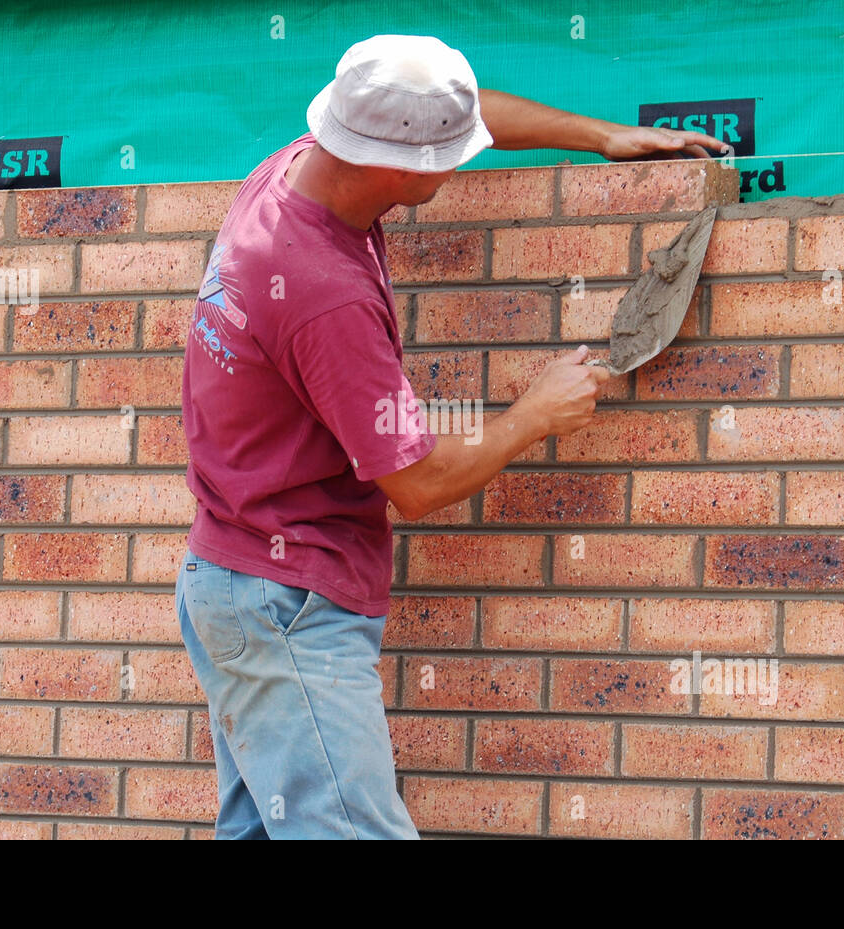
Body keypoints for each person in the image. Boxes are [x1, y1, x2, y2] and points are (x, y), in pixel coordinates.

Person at [175, 33, 730, 839]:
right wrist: (533, 415)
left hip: (235, 578)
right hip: (286, 604)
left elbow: (458, 119)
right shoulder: (325, 297)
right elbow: (420, 482)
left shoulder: (303, 163)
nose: (459, 163)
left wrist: (602, 136)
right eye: (448, 156)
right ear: (399, 168)